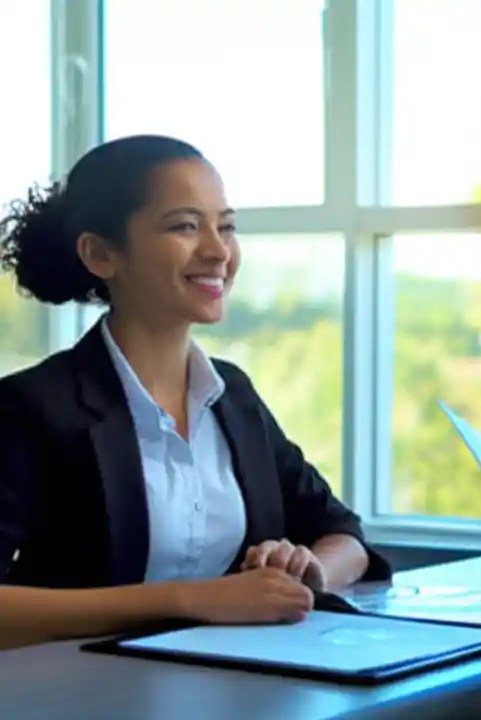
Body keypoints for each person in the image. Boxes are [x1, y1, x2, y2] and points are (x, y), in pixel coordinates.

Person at [0, 135, 390, 650]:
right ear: (100, 254)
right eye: (185, 225)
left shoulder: (232, 396)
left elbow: (344, 534)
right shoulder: (31, 408)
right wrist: (192, 599)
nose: (218, 251)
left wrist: (309, 571)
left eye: (225, 226)